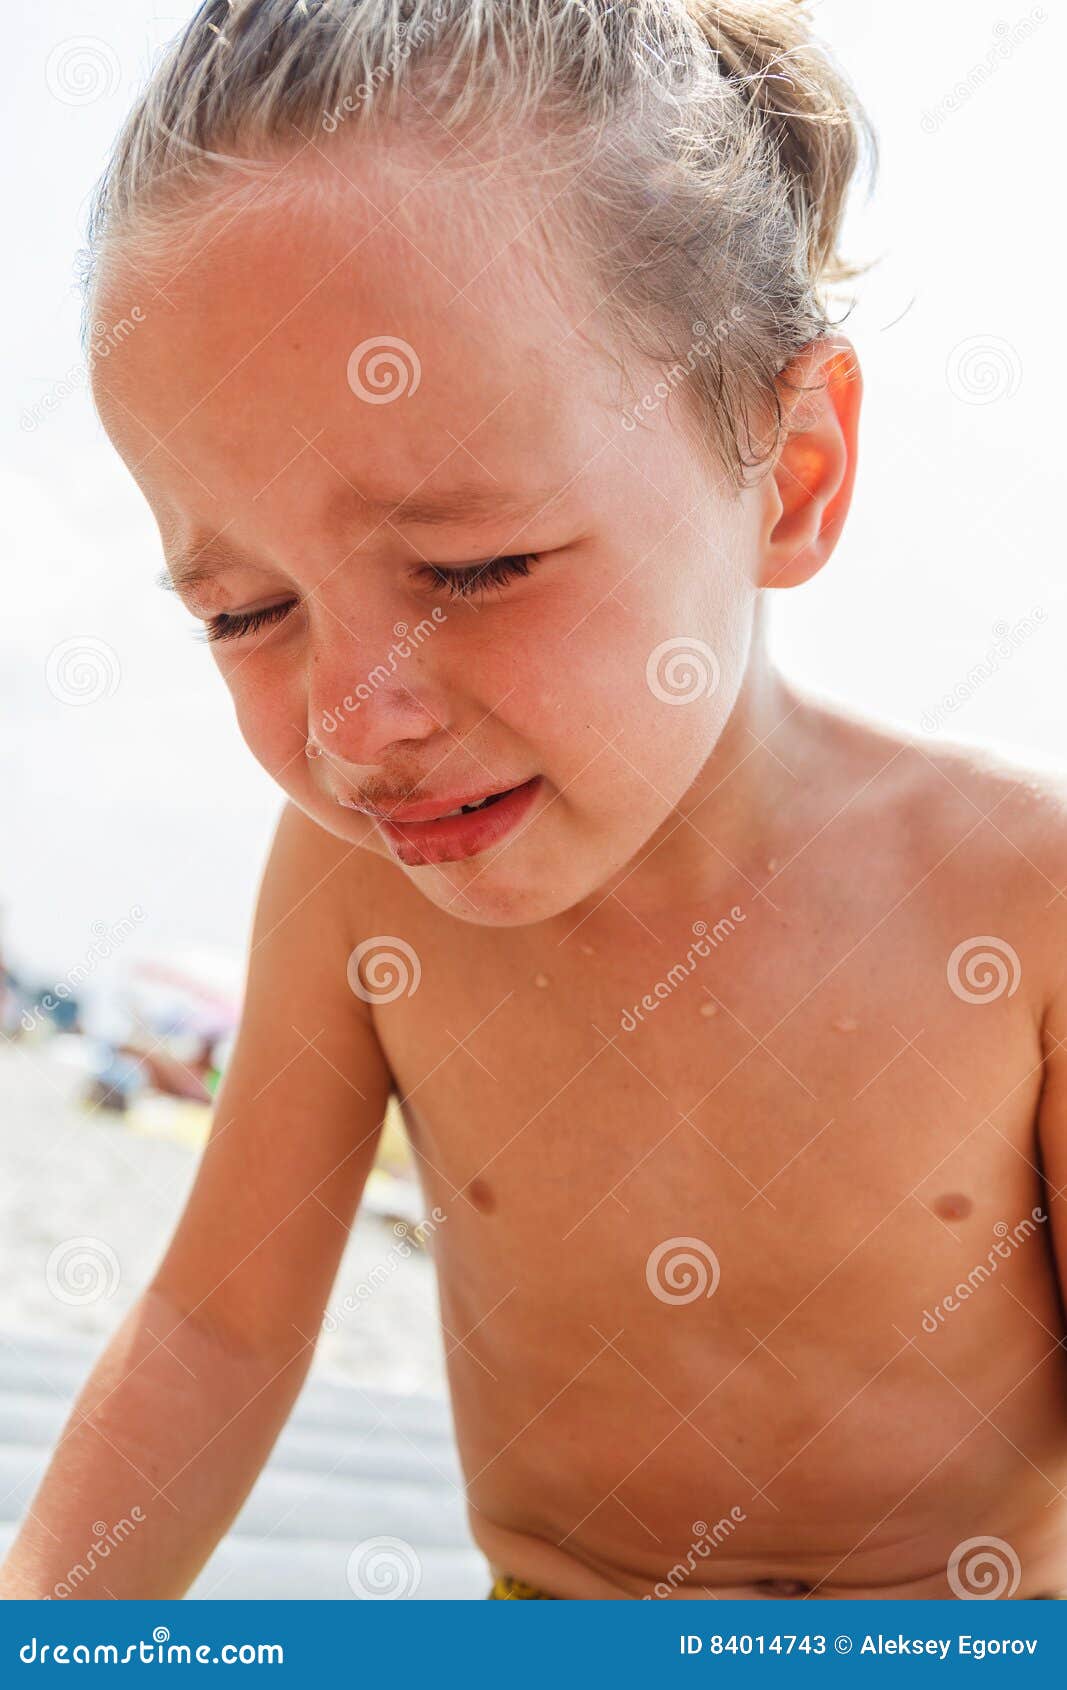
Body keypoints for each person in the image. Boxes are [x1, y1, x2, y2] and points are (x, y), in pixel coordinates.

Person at [3, 0, 1065, 1602]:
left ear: (790, 471)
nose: (361, 726)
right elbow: (217, 1330)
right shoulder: (353, 889)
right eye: (242, 611)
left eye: (472, 568)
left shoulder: (1019, 896)